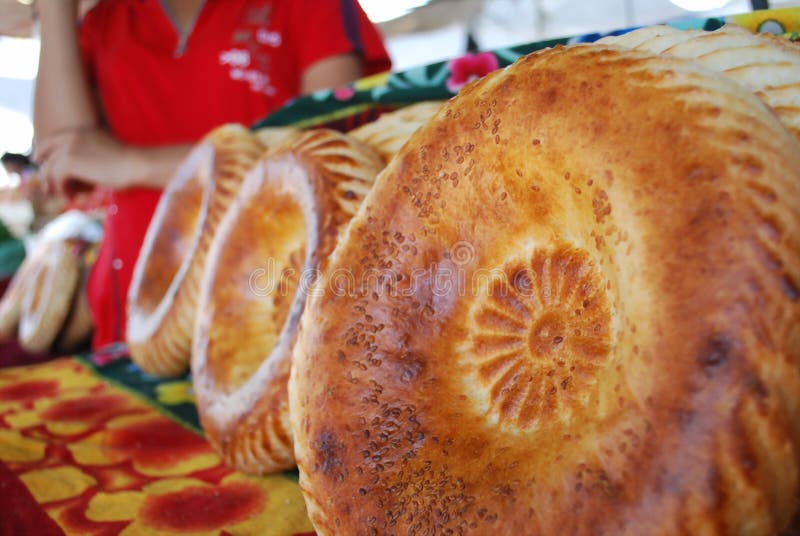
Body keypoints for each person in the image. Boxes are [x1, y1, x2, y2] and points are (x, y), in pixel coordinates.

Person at [33, 0, 391, 350]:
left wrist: (134, 165)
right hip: (139, 314)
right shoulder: (106, 21)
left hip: (269, 315)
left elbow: (339, 159)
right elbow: (61, 153)